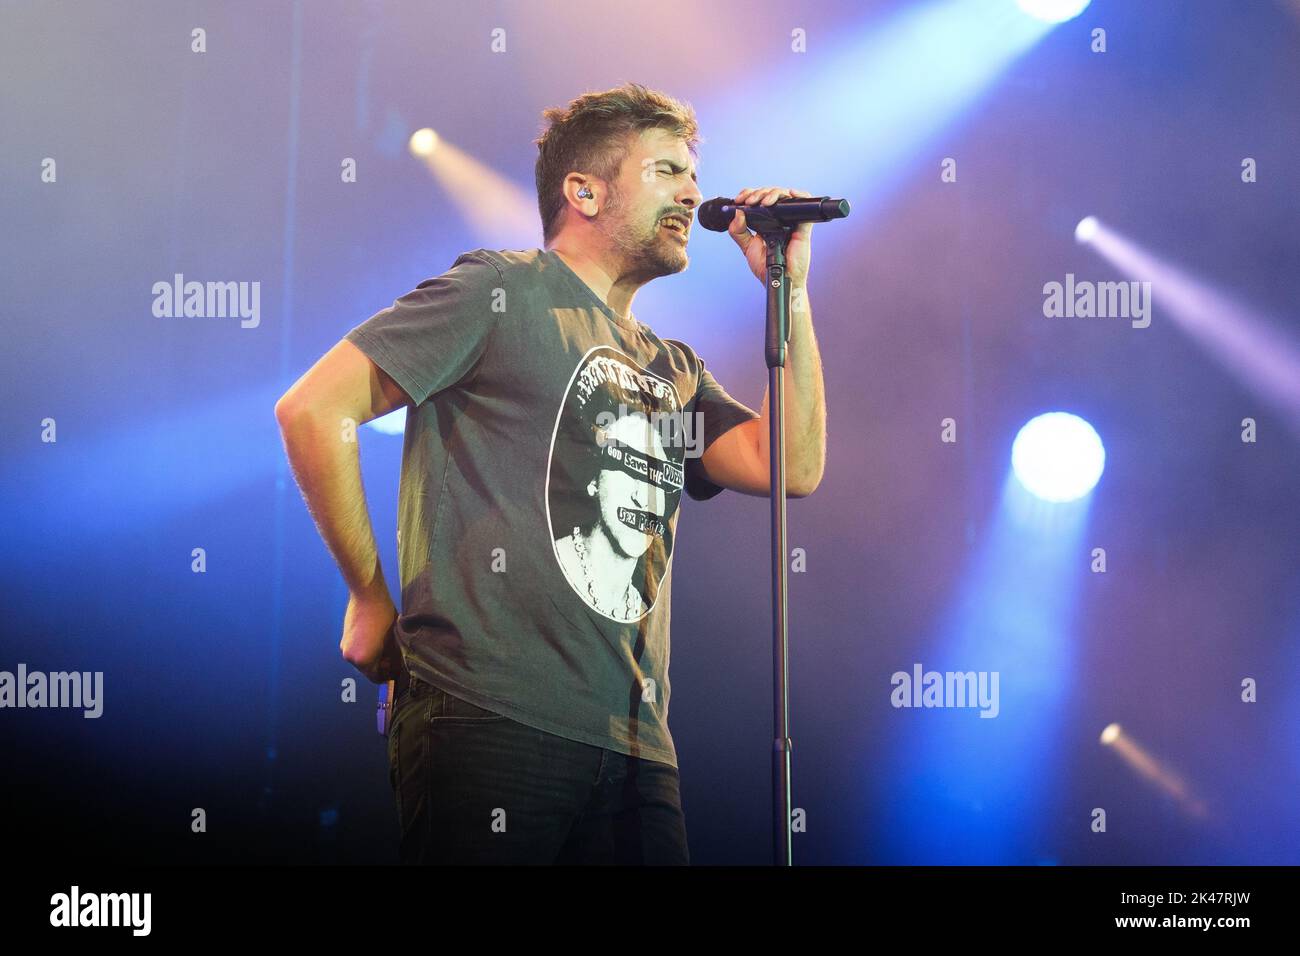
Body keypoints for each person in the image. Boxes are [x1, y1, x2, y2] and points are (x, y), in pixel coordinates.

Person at [274, 82, 826, 864]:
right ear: (585, 190)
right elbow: (312, 410)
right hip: (489, 713)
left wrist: (788, 291)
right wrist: (369, 598)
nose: (695, 193)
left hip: (638, 745)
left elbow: (789, 465)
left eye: (693, 176)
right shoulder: (503, 292)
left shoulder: (674, 372)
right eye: (667, 170)